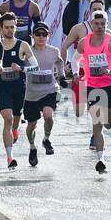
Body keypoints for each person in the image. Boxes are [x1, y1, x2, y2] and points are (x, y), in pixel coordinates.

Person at [77, 10, 111, 174]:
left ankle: (101, 156)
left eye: (103, 24)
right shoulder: (84, 42)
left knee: (107, 124)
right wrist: (78, 73)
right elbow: (75, 59)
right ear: (91, 24)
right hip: (92, 86)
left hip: (110, 85)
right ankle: (101, 160)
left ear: (107, 24)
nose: (99, 27)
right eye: (97, 24)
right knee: (97, 123)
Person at [0, 12, 32, 170]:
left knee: (15, 120)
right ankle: (10, 157)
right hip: (3, 88)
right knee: (7, 119)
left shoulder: (23, 45)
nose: (10, 30)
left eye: (12, 27)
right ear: (1, 29)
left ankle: (15, 130)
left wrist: (21, 68)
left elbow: (35, 67)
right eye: (6, 27)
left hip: (19, 88)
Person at [23, 22, 65, 166]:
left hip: (49, 90)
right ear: (32, 36)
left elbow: (60, 63)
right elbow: (20, 66)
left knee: (48, 115)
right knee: (32, 125)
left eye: (44, 34)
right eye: (38, 34)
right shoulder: (27, 52)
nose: (41, 37)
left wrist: (62, 77)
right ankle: (32, 147)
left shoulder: (54, 51)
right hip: (31, 94)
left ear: (48, 36)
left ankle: (46, 139)